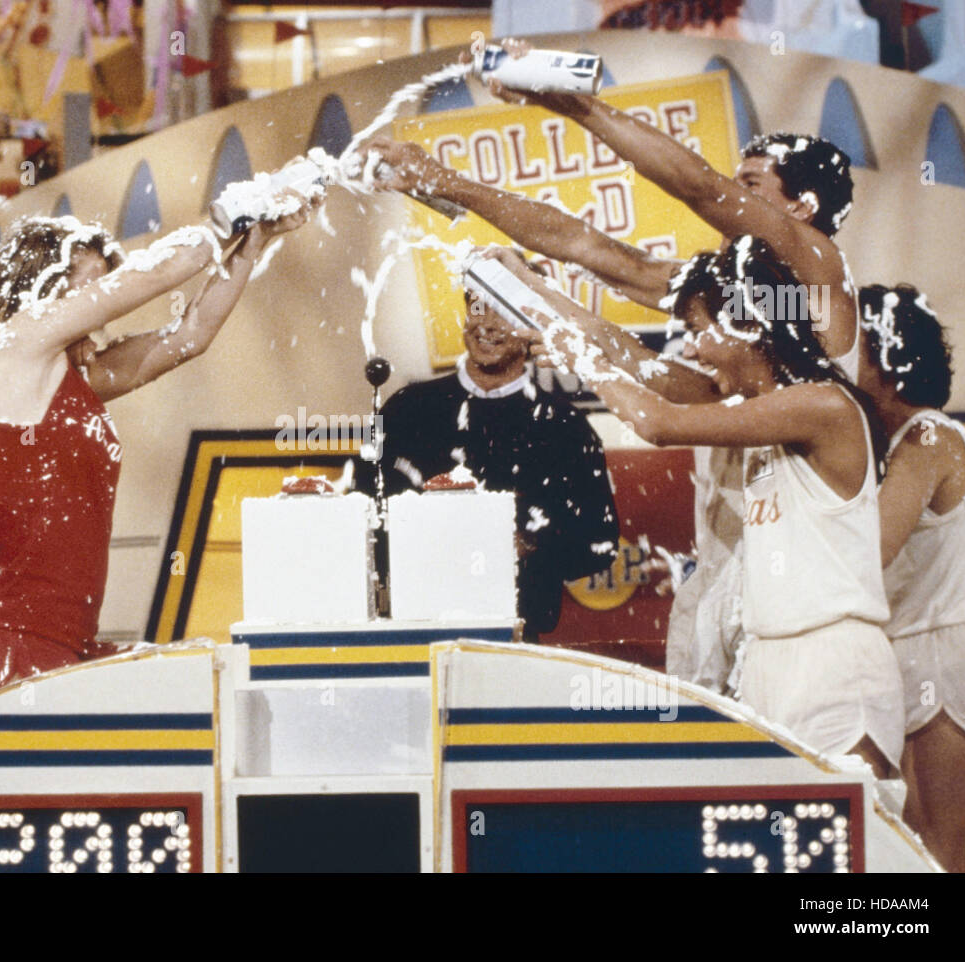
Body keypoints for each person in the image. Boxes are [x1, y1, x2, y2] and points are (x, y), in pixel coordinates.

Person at [365, 48, 863, 688]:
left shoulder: (818, 277)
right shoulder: (735, 306)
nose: (731, 200)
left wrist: (572, 103)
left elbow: (698, 187)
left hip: (807, 606)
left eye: (751, 188)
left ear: (801, 210)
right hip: (731, 579)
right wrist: (449, 186)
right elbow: (587, 249)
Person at [526, 236, 901, 776]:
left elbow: (659, 423)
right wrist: (534, 292)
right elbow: (640, 364)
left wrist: (582, 359)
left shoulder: (824, 405)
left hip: (834, 666)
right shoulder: (756, 407)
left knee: (846, 832)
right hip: (765, 661)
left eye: (700, 331)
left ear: (748, 325)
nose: (693, 349)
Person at [0, 201, 314, 692]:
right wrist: (240, 208)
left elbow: (190, 334)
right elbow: (161, 272)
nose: (101, 307)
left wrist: (254, 242)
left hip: (69, 641)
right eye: (92, 288)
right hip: (14, 645)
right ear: (42, 288)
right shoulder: (13, 349)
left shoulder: (74, 378)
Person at [368, 274, 619, 638]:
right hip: (412, 626)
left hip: (515, 635)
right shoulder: (406, 409)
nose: (486, 324)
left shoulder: (564, 426)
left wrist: (530, 544)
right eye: (478, 307)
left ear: (534, 324)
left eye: (505, 311)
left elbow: (601, 543)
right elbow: (364, 508)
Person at [861, 284, 965, 872]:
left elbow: (868, 553)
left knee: (935, 847)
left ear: (889, 365)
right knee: (911, 848)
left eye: (851, 349)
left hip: (939, 650)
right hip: (910, 647)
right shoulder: (898, 444)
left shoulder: (929, 437)